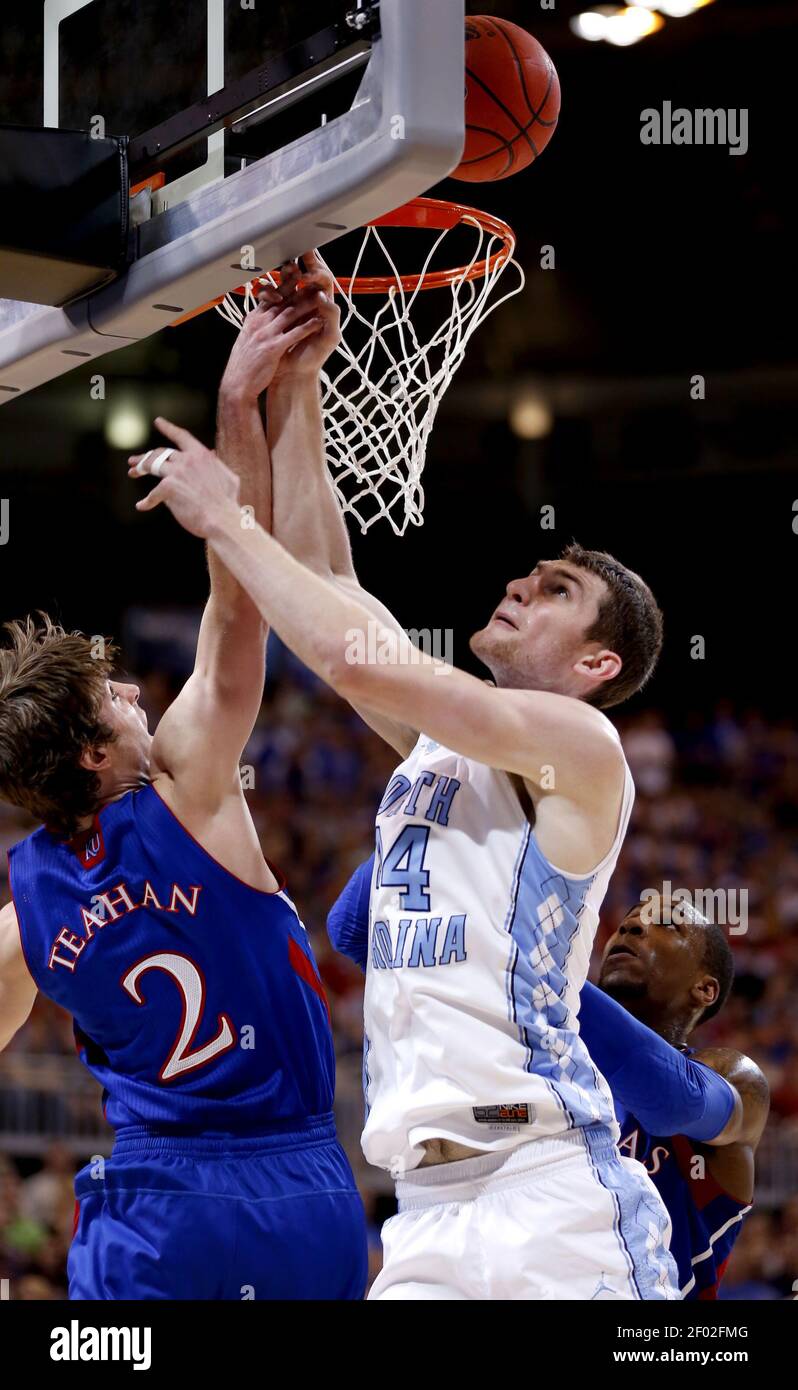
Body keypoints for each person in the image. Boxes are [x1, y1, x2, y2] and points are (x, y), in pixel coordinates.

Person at [123, 258, 679, 1300]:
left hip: (550, 1196)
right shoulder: (446, 742)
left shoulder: (582, 752)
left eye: (555, 591)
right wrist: (300, 383)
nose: (520, 581)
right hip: (425, 1216)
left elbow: (352, 657)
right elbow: (328, 586)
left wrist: (222, 517)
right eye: (534, 571)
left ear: (597, 665)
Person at [0, 303, 367, 1300]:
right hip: (296, 1191)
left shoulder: (25, 909)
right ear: (88, 754)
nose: (133, 691)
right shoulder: (190, 785)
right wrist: (237, 401)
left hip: (153, 1210)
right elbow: (238, 601)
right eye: (110, 696)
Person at [329, 867, 768, 1298]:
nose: (632, 926)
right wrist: (430, 822)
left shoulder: (734, 1079)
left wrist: (501, 961)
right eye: (630, 918)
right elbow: (352, 928)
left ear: (705, 989)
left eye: (666, 924)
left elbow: (673, 1100)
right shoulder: (536, 1052)